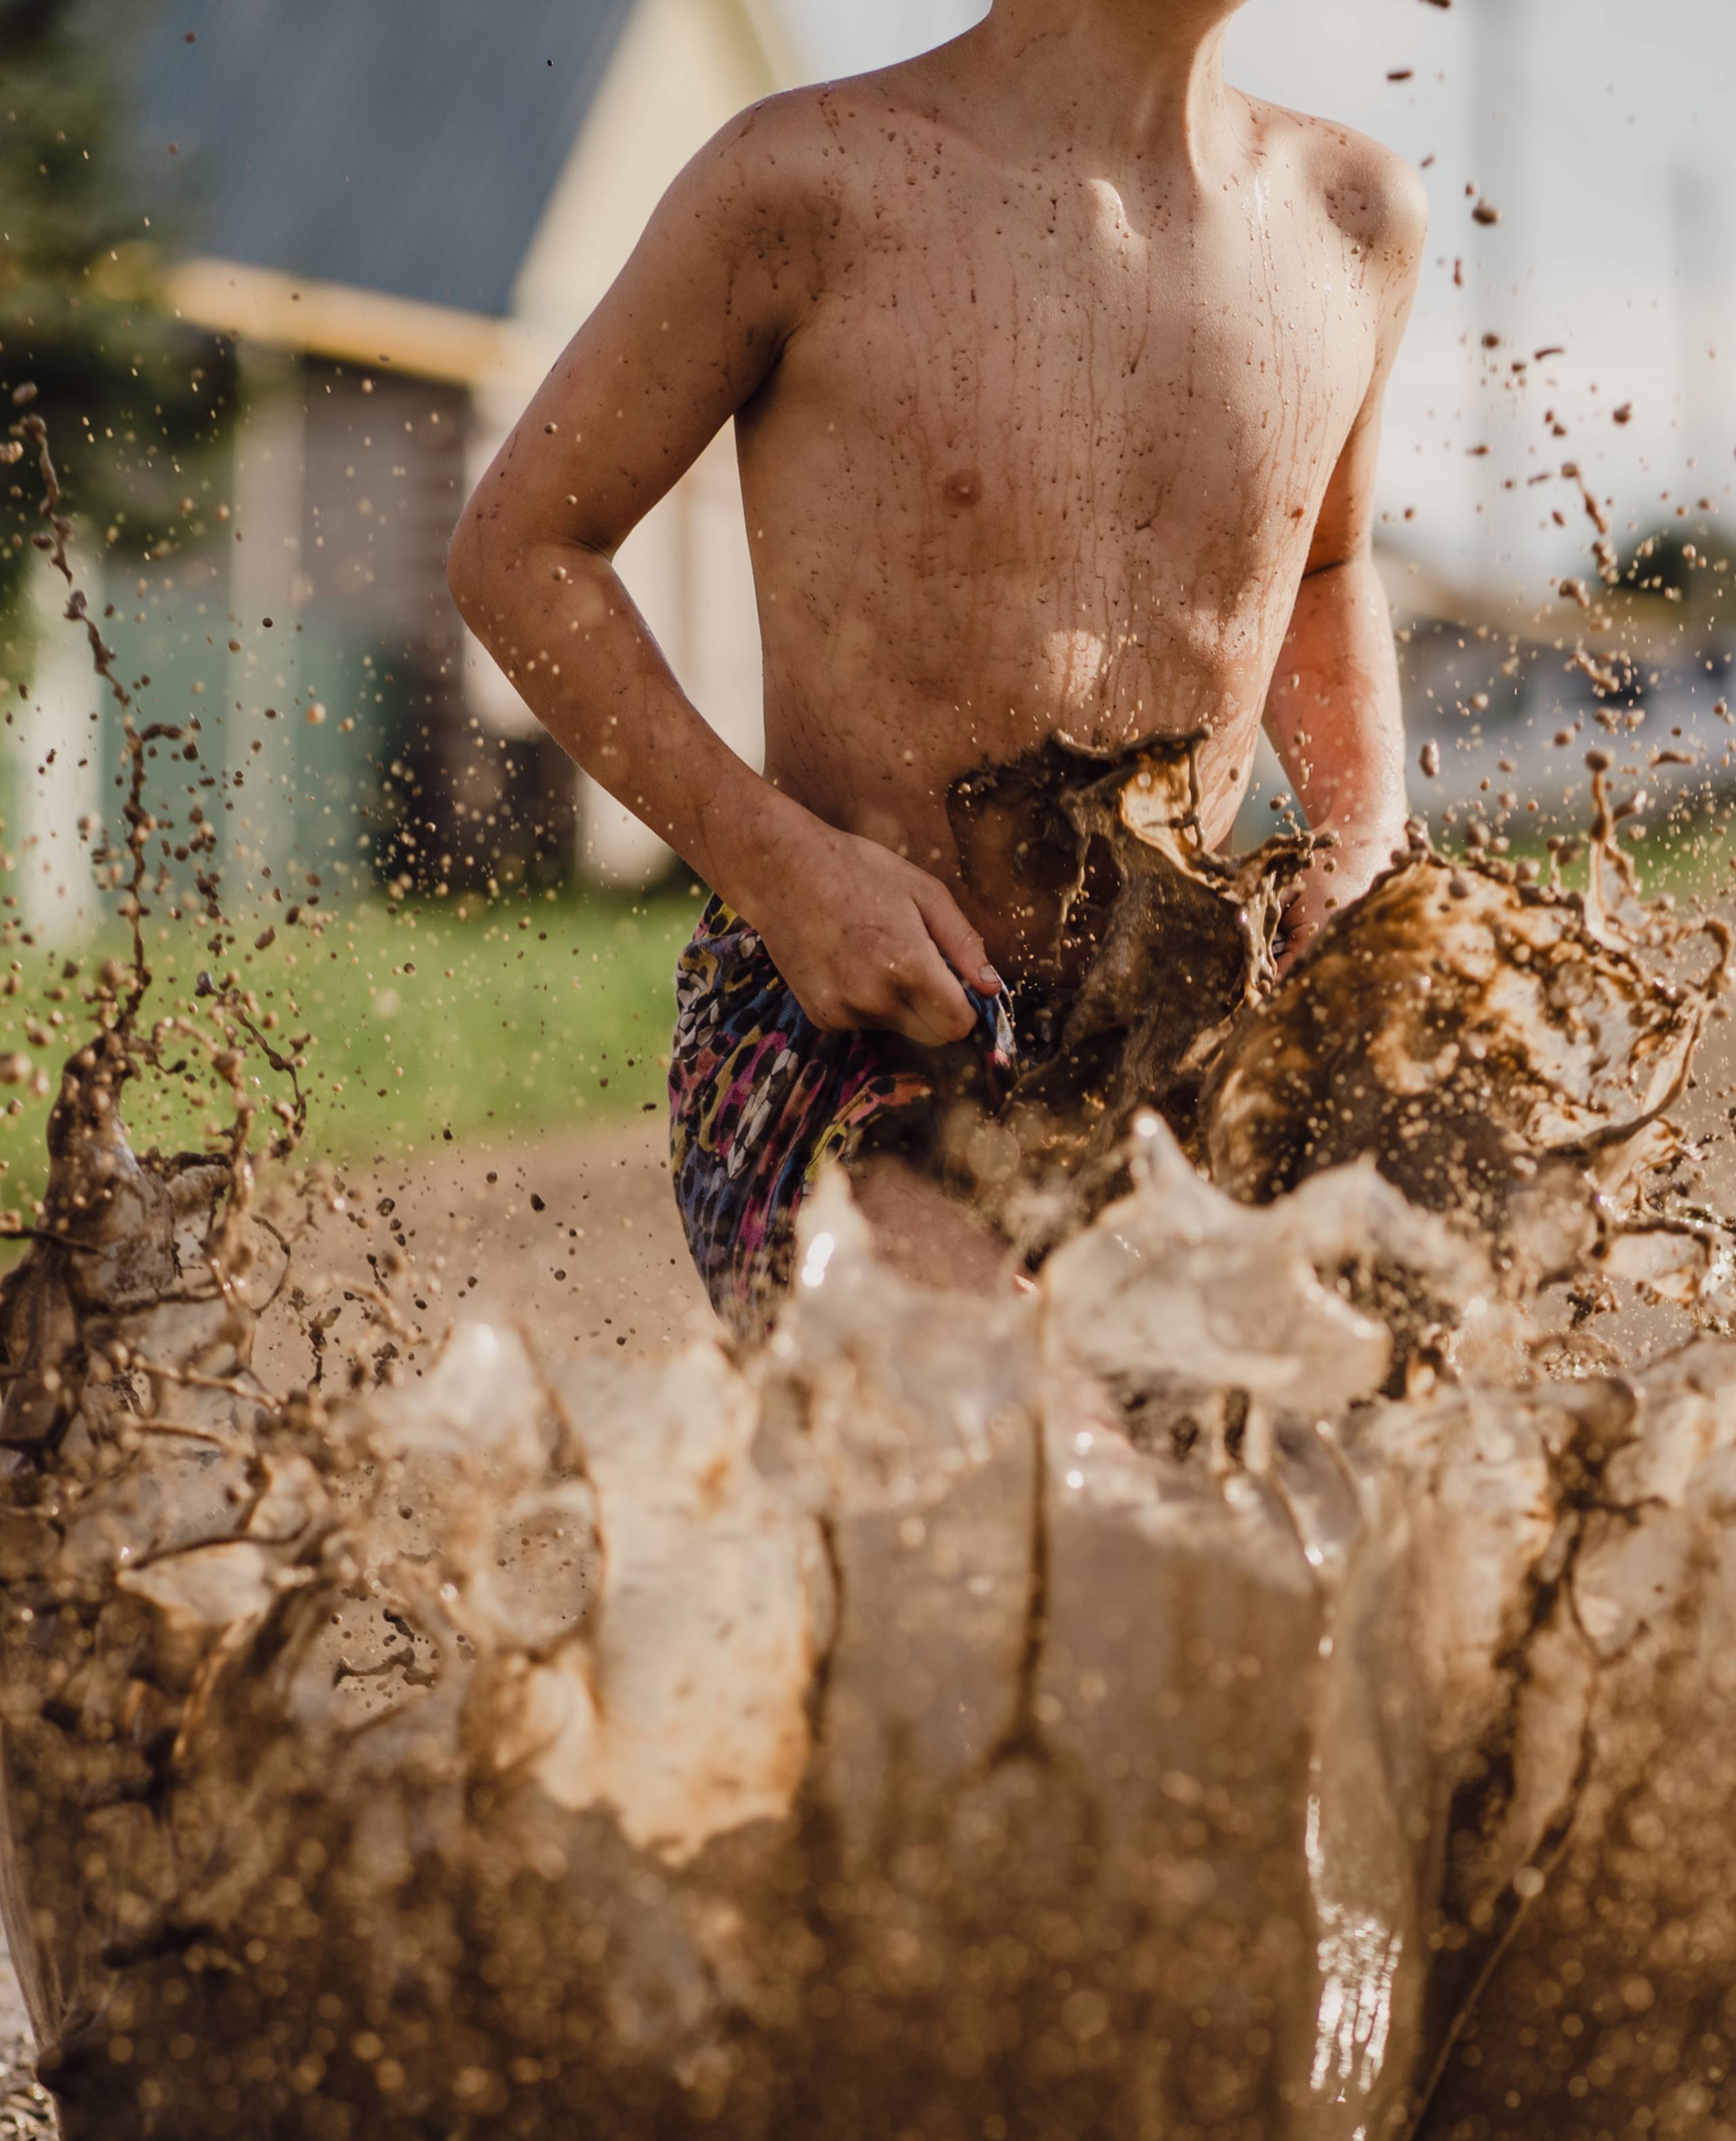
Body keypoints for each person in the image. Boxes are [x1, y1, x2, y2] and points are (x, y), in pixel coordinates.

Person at [447, 0, 1424, 1330]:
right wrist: (773, 863)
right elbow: (523, 548)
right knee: (977, 1448)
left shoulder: (1351, 217)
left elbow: (1321, 567)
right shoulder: (809, 183)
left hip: (1192, 1012)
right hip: (855, 1017)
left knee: (1283, 1459)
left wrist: (1364, 829)